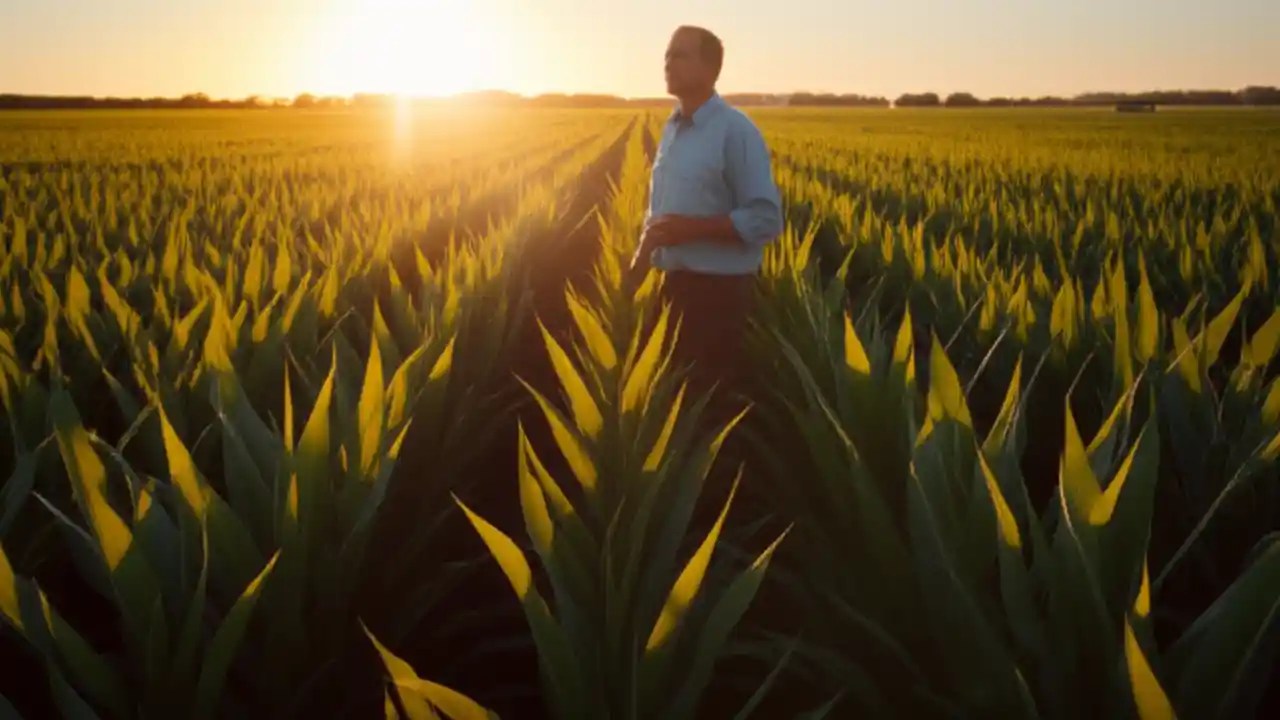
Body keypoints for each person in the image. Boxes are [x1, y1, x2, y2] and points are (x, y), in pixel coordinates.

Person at [627, 25, 783, 412]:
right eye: (667, 54)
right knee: (667, 408)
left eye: (680, 54)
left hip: (717, 297)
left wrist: (690, 231)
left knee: (706, 410)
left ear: (711, 68)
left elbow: (765, 219)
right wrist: (638, 264)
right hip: (671, 289)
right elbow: (660, 214)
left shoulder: (736, 132)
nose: (668, 62)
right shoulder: (673, 129)